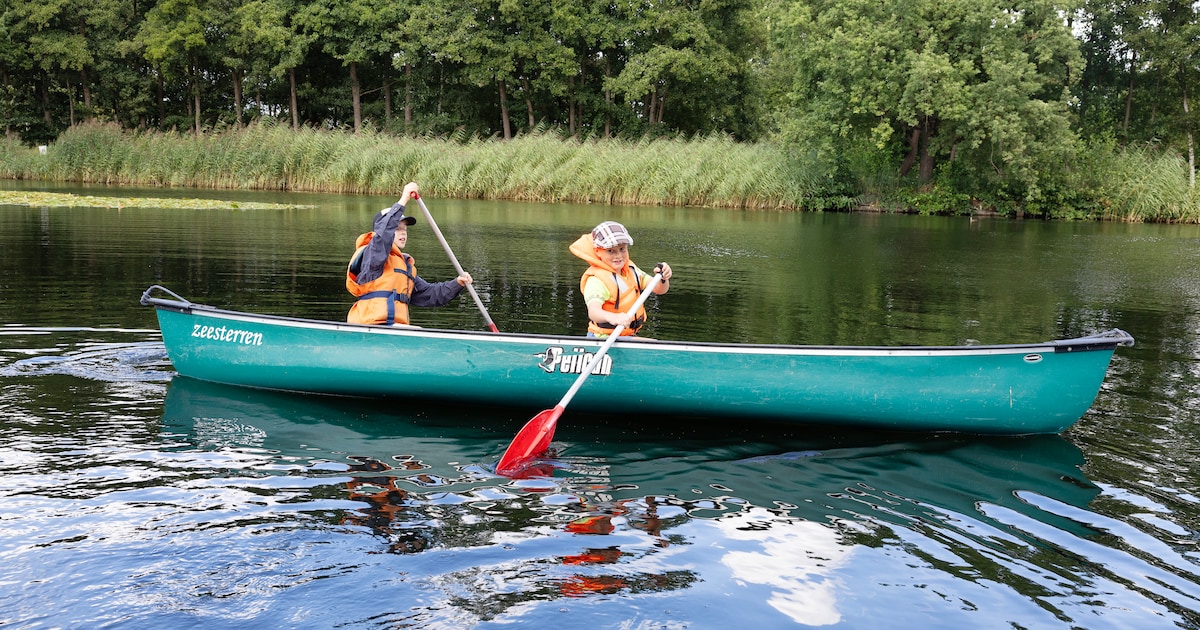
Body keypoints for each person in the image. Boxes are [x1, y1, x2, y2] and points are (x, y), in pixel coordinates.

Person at [346, 182, 472, 326]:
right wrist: (404, 199)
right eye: (398, 228)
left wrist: (457, 283)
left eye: (405, 229)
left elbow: (430, 295)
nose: (403, 233)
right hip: (369, 325)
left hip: (395, 329)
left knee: (416, 330)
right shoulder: (372, 254)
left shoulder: (405, 267)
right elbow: (382, 236)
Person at [568, 220, 673, 337]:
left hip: (625, 336)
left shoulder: (631, 270)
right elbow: (593, 312)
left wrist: (663, 278)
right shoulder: (596, 281)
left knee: (655, 348)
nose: (618, 256)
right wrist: (613, 317)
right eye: (610, 251)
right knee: (655, 348)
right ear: (598, 251)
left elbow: (660, 289)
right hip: (603, 338)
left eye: (622, 249)